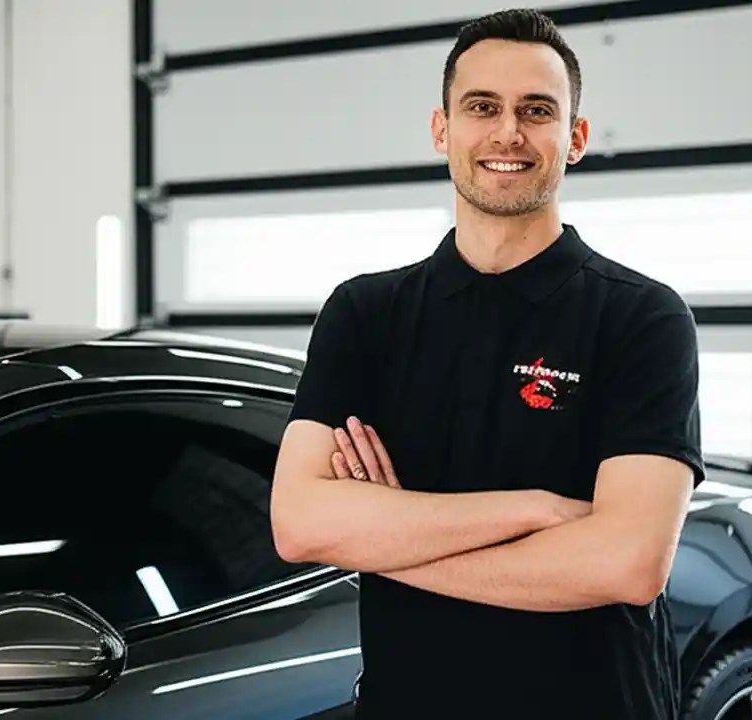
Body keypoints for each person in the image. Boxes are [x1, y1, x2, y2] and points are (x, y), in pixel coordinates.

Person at [269, 7, 706, 719]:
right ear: (442, 128)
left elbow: (627, 564)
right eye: (482, 107)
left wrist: (386, 537)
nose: (509, 132)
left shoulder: (643, 318)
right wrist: (531, 510)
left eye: (537, 111)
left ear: (576, 139)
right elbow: (299, 524)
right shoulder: (364, 314)